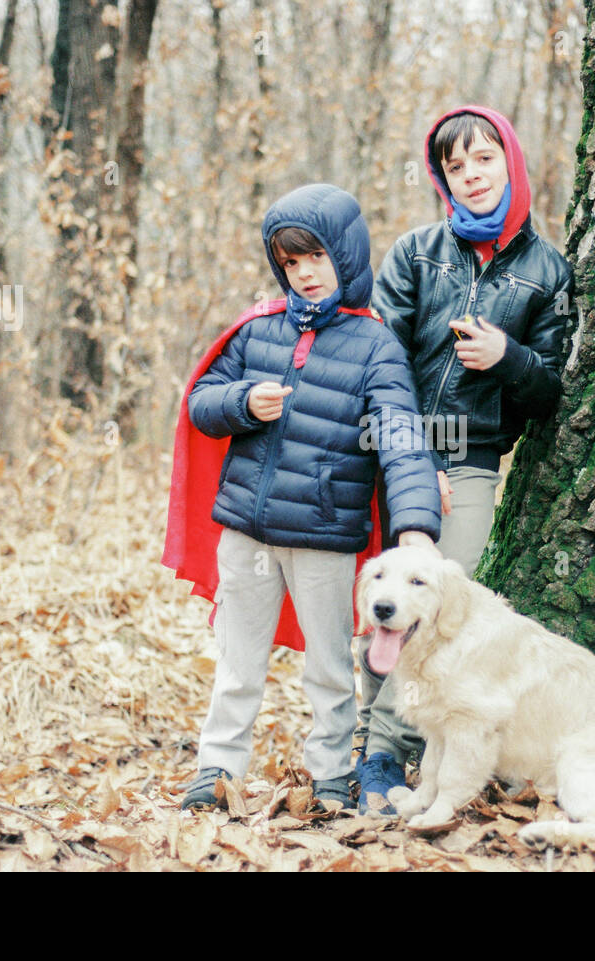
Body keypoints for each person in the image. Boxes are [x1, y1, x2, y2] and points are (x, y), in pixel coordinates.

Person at [163, 183, 440, 811]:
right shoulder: (258, 329)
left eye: (316, 256)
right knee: (237, 662)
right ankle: (217, 768)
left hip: (324, 537)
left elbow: (400, 435)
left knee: (329, 669)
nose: (305, 273)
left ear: (345, 255)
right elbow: (201, 402)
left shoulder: (375, 345)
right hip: (248, 532)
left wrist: (416, 526)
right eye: (290, 261)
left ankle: (330, 774)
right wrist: (242, 402)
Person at [356, 106, 575, 813]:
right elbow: (378, 357)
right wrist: (416, 462)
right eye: (456, 167)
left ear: (510, 161)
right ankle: (372, 753)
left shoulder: (547, 270)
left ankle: (401, 750)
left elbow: (550, 391)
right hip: (392, 450)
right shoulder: (416, 252)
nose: (472, 175)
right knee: (381, 603)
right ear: (442, 179)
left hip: (474, 457)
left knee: (436, 607)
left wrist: (507, 357)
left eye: (484, 158)